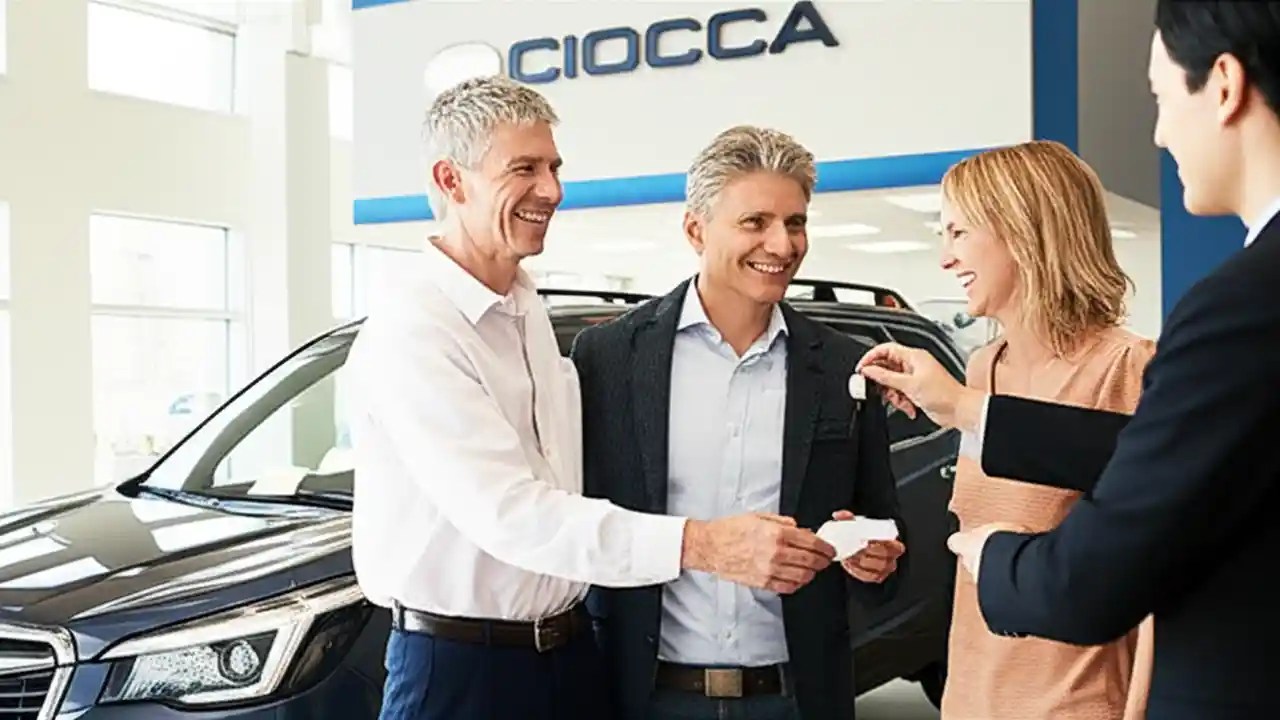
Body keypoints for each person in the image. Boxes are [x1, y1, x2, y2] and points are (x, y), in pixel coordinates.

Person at [346, 78, 838, 720]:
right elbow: (513, 514)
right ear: (451, 179)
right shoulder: (415, 329)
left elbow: (594, 480)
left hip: (571, 655)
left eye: (554, 167)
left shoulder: (525, 311)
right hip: (462, 669)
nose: (551, 190)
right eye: (523, 168)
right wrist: (706, 545)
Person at [855, 3, 1280, 717]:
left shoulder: (1161, 352)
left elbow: (1136, 572)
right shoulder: (980, 373)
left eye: (959, 231)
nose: (1157, 130)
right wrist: (960, 409)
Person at [571, 125, 907, 720]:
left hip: (796, 698)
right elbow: (582, 524)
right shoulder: (609, 359)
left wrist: (875, 559)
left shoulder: (839, 366)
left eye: (796, 222)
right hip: (644, 697)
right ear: (695, 229)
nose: (782, 244)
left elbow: (881, 527)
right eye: (755, 222)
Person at [930, 140, 1156, 720]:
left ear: (1023, 231)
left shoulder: (1128, 370)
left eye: (958, 233)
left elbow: (1156, 582)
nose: (945, 259)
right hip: (969, 702)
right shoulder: (982, 370)